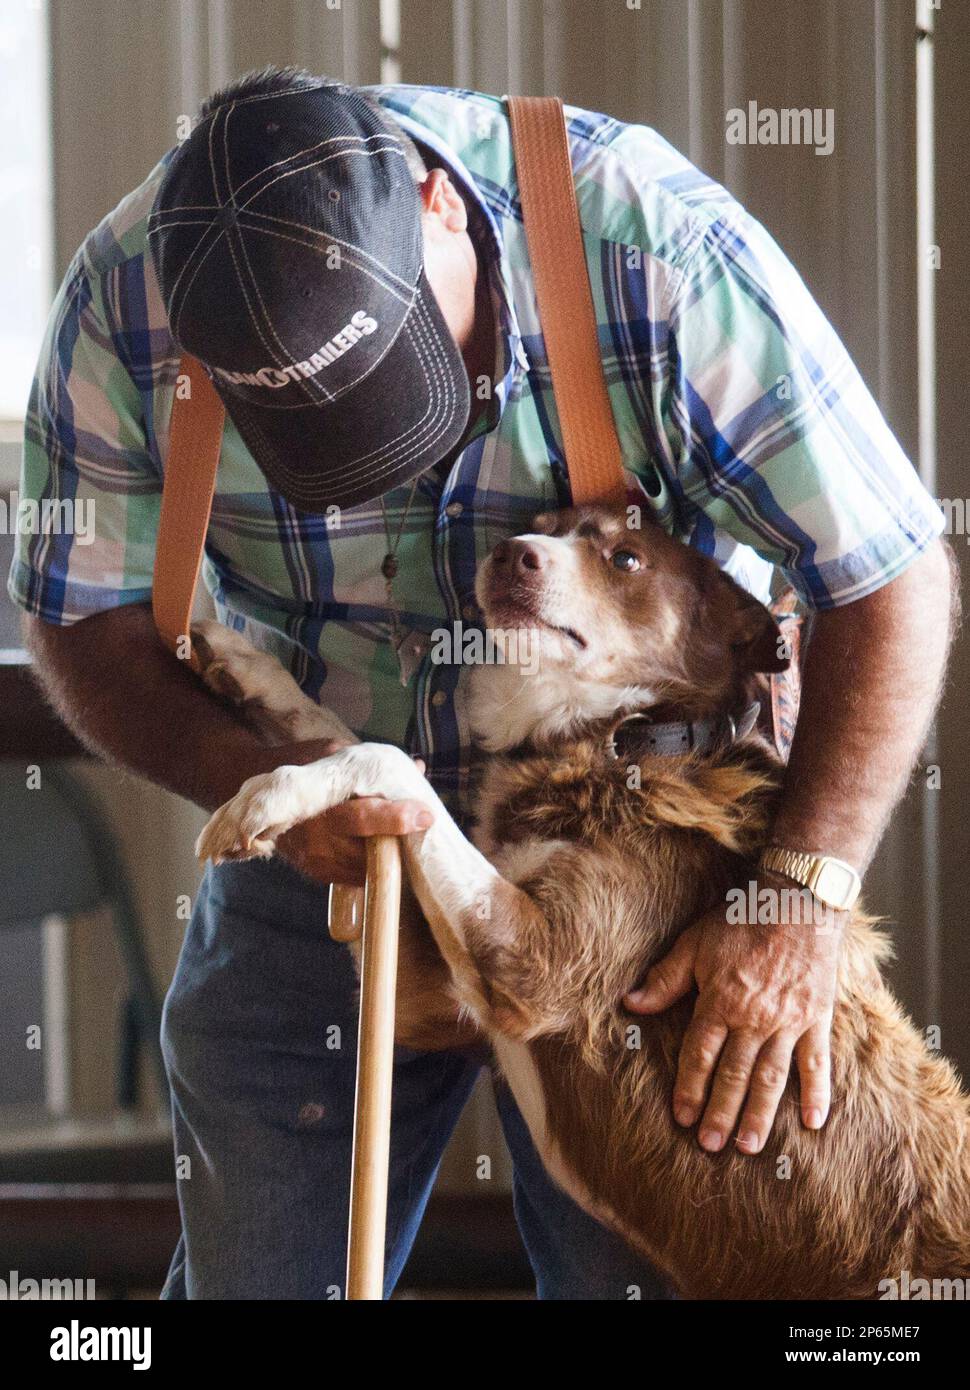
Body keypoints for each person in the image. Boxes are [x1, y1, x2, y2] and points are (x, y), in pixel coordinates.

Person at [13, 67, 952, 1299]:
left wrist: (800, 892)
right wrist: (269, 786)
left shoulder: (655, 248)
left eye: (404, 369)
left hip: (638, 890)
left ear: (437, 207)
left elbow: (886, 578)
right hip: (323, 870)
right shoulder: (121, 310)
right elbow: (81, 624)